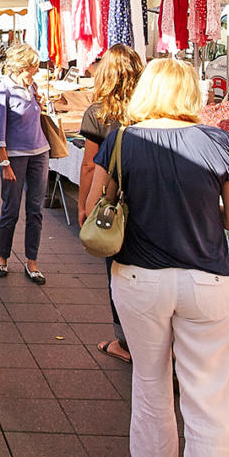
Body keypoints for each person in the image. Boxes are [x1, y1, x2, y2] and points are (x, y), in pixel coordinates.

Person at [80, 58, 229, 457]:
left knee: (150, 381)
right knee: (211, 404)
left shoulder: (124, 141)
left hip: (139, 280)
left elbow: (104, 204)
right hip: (207, 281)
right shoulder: (219, 143)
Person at [80, 44, 144, 362]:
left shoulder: (99, 112)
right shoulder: (147, 109)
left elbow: (90, 165)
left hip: (112, 203)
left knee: (116, 269)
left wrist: (83, 204)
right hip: (145, 200)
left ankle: (125, 341)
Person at [0, 43, 51, 283]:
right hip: (15, 156)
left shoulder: (32, 85)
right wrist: (4, 163)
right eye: (32, 66)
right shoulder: (4, 90)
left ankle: (32, 261)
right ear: (20, 66)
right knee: (10, 209)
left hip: (40, 152)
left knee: (35, 210)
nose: (35, 70)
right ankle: (2, 257)